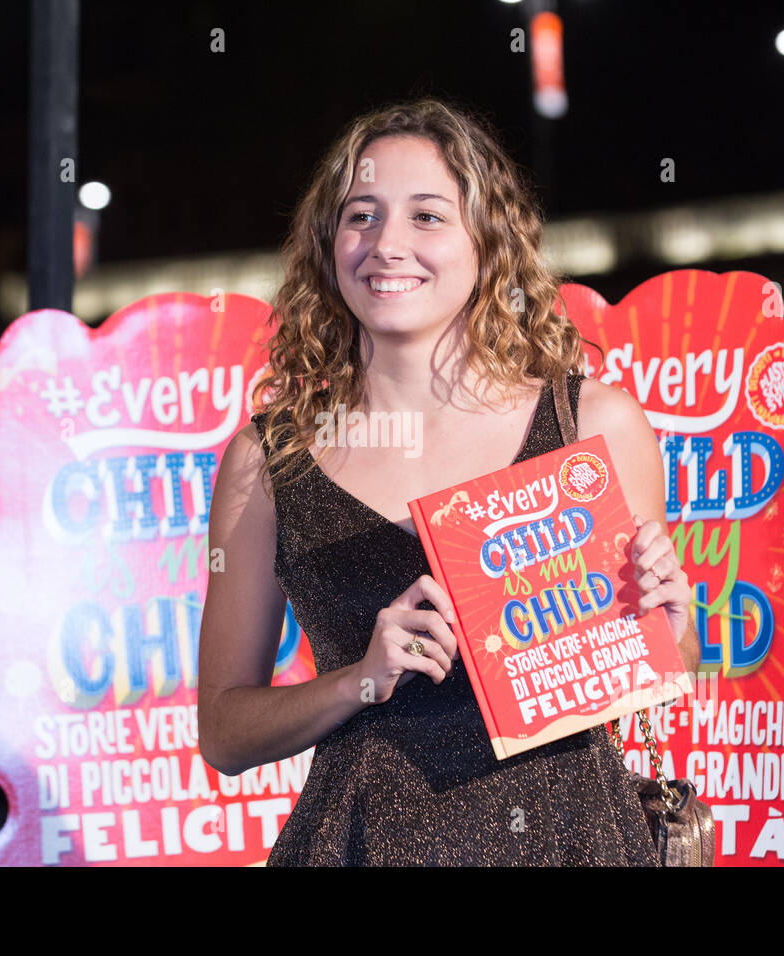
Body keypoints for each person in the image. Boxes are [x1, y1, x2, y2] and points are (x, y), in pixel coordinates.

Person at [198, 97, 700, 865]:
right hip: (361, 845)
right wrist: (359, 680)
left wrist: (671, 614)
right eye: (361, 214)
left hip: (577, 843)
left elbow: (664, 666)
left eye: (427, 216)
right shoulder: (270, 460)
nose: (387, 244)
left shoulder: (593, 425)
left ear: (486, 241)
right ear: (328, 240)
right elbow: (225, 734)